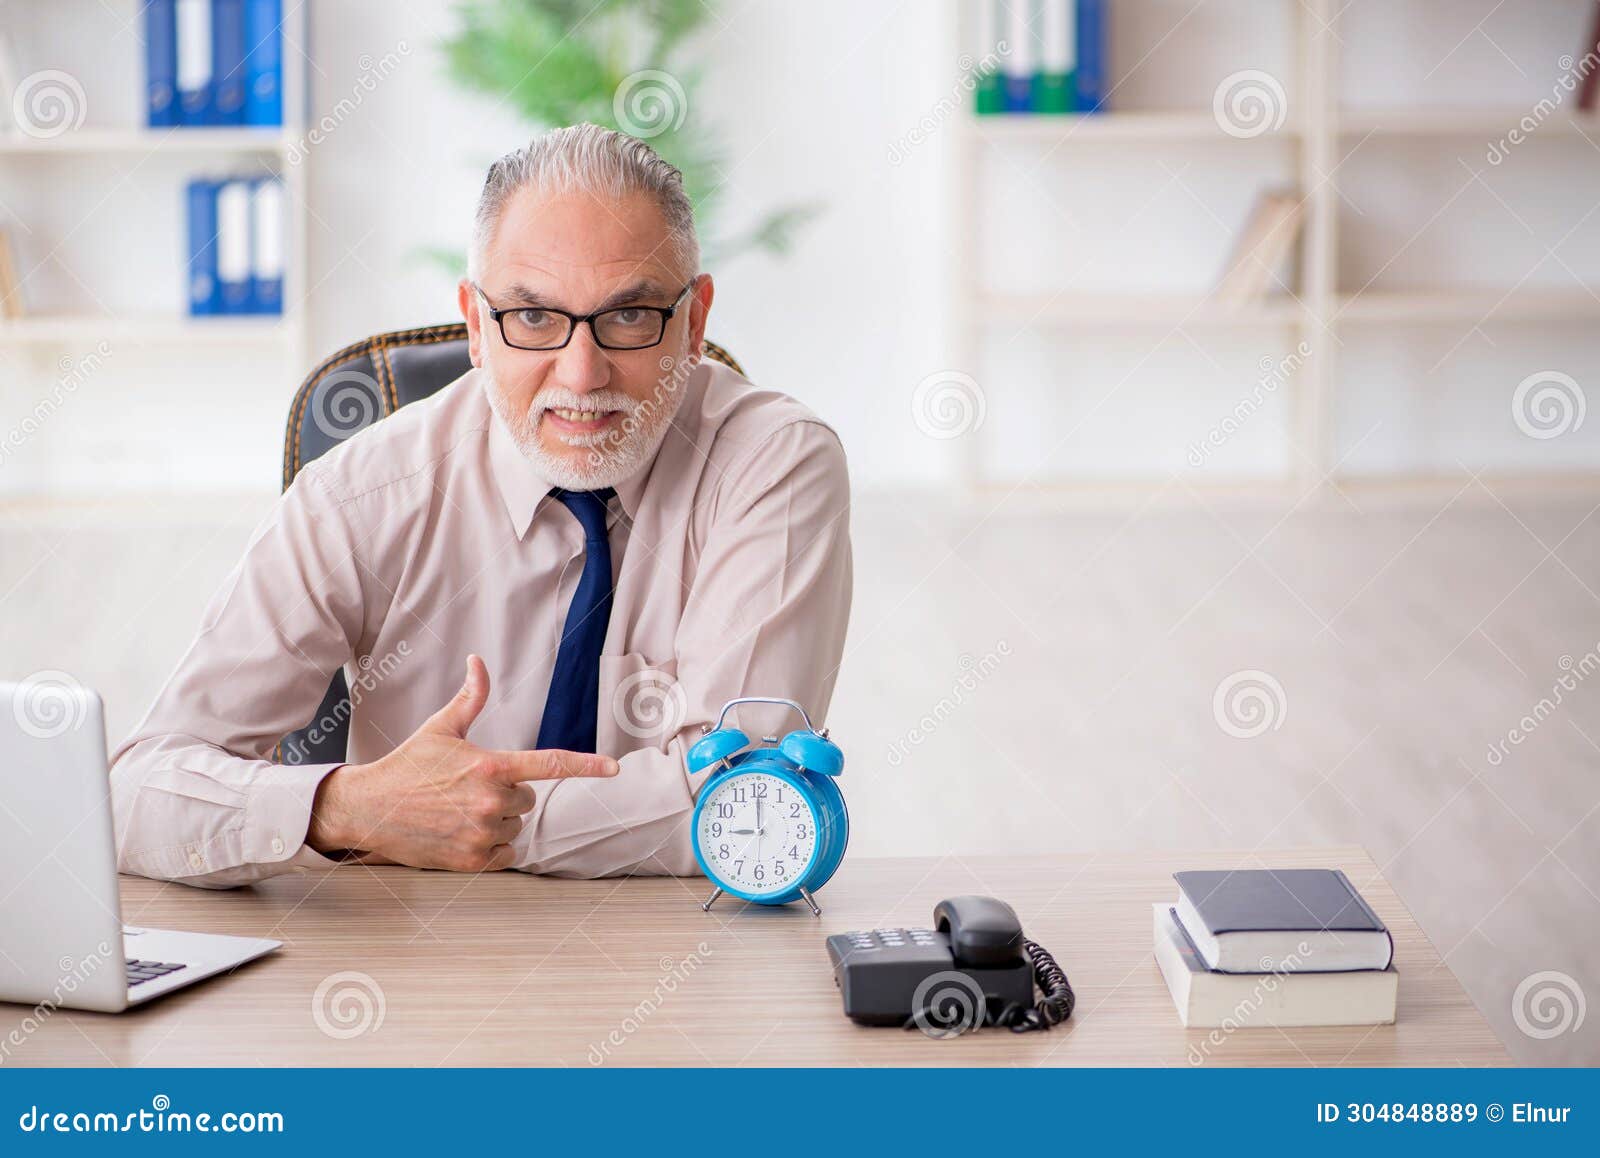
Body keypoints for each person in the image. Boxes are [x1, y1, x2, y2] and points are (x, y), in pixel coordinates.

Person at [110, 124, 853, 888]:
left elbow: (747, 803)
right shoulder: (359, 496)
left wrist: (456, 818)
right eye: (533, 317)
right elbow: (137, 794)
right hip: (413, 968)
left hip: (685, 965)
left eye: (628, 317)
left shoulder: (776, 464)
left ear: (693, 323)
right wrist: (343, 807)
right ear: (475, 324)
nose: (581, 373)